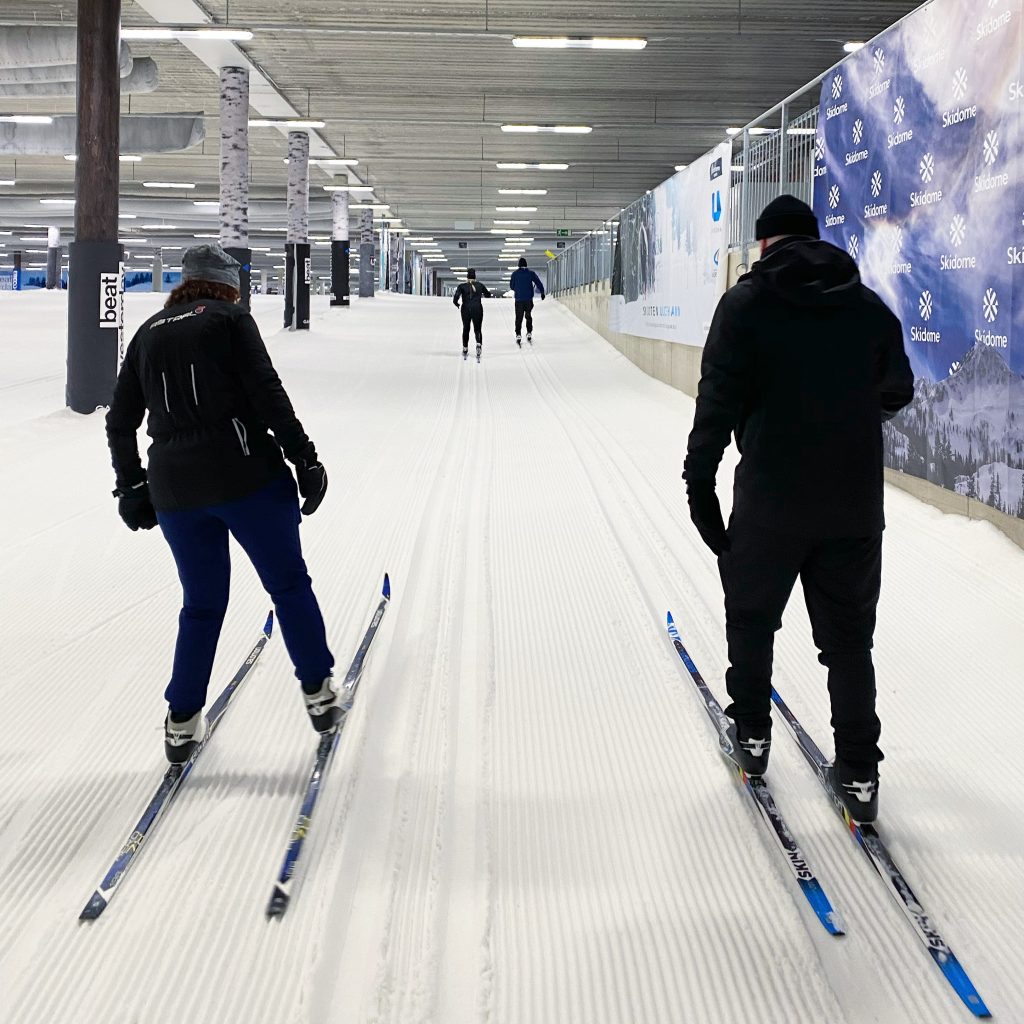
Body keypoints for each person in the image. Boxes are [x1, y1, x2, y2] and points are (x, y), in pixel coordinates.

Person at [682, 195, 914, 823]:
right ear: (816, 240)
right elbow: (897, 389)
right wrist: (844, 419)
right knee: (848, 642)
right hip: (852, 507)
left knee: (753, 620)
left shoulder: (745, 305)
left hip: (770, 503)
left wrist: (699, 485)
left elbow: (717, 402)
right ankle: (860, 773)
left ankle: (753, 738)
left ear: (763, 245)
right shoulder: (866, 307)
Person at [105, 244, 339, 764]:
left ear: (185, 284)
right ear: (228, 284)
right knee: (287, 584)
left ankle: (182, 721)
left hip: (175, 493)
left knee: (202, 604)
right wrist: (306, 459)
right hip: (246, 477)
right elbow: (267, 393)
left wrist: (131, 486)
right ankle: (319, 694)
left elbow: (120, 422)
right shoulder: (233, 320)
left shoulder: (147, 333)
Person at [453, 268, 491, 362]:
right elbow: (488, 295)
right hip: (478, 309)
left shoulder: (462, 286)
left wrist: (457, 304)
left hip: (465, 309)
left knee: (466, 328)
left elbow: (455, 298)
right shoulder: (480, 285)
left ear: (467, 276)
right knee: (477, 328)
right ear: (475, 276)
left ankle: (465, 348)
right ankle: (478, 344)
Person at [510, 256, 545, 346]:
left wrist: (518, 289)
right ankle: (529, 332)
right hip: (529, 299)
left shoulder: (515, 274)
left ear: (519, 265)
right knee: (528, 315)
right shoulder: (531, 273)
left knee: (519, 317)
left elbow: (511, 286)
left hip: (519, 300)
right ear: (526, 265)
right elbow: (538, 283)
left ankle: (518, 334)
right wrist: (542, 292)